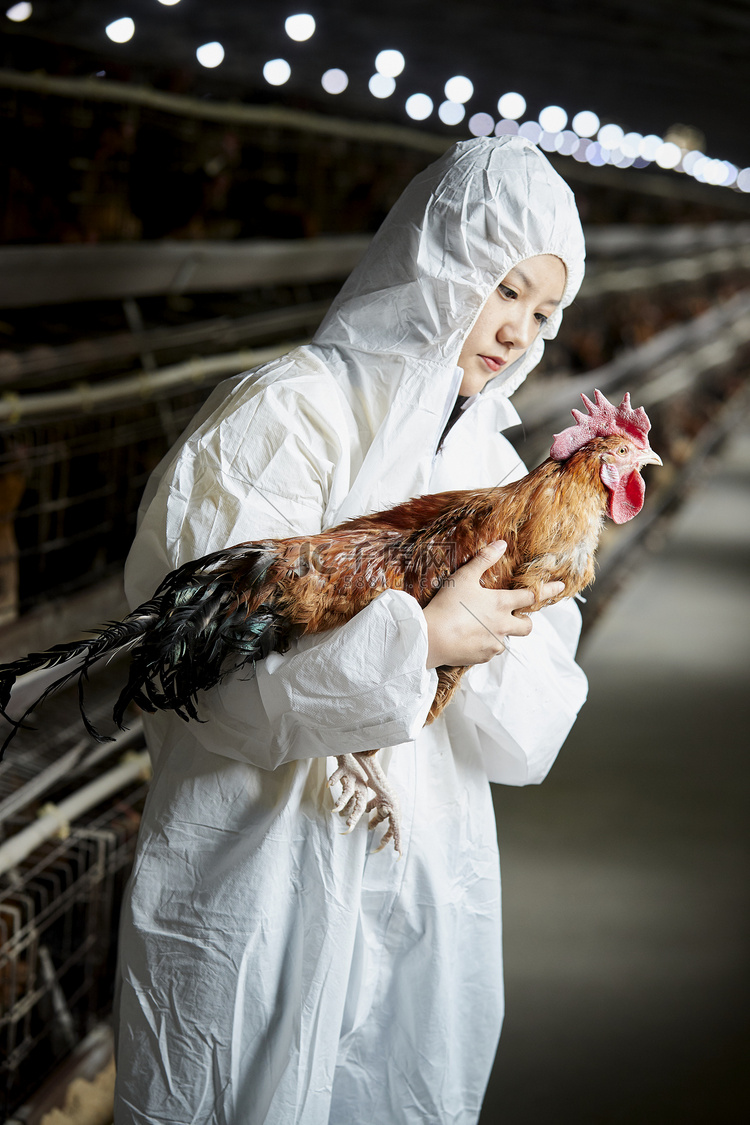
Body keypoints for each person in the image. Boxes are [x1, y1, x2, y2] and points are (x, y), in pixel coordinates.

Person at [114, 135, 588, 1125]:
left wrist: (487, 637)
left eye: (542, 312)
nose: (515, 332)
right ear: (441, 260)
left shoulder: (495, 457)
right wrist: (417, 642)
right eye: (504, 290)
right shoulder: (288, 416)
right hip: (259, 873)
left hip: (424, 874)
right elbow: (211, 689)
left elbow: (524, 736)